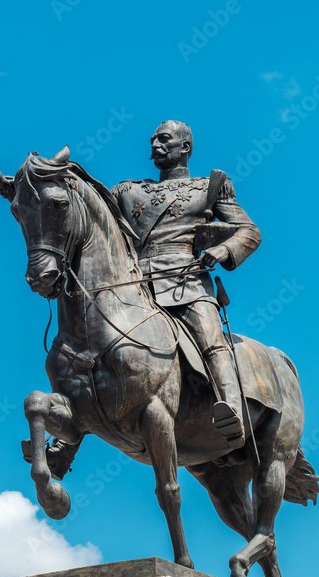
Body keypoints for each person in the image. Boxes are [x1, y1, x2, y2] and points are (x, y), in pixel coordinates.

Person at [111, 120, 261, 445]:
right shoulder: (127, 191)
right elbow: (88, 202)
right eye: (152, 140)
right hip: (135, 287)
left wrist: (222, 251)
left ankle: (231, 407)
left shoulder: (209, 187)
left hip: (186, 281)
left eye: (163, 139)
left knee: (212, 340)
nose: (154, 145)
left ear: (185, 147)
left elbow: (249, 231)